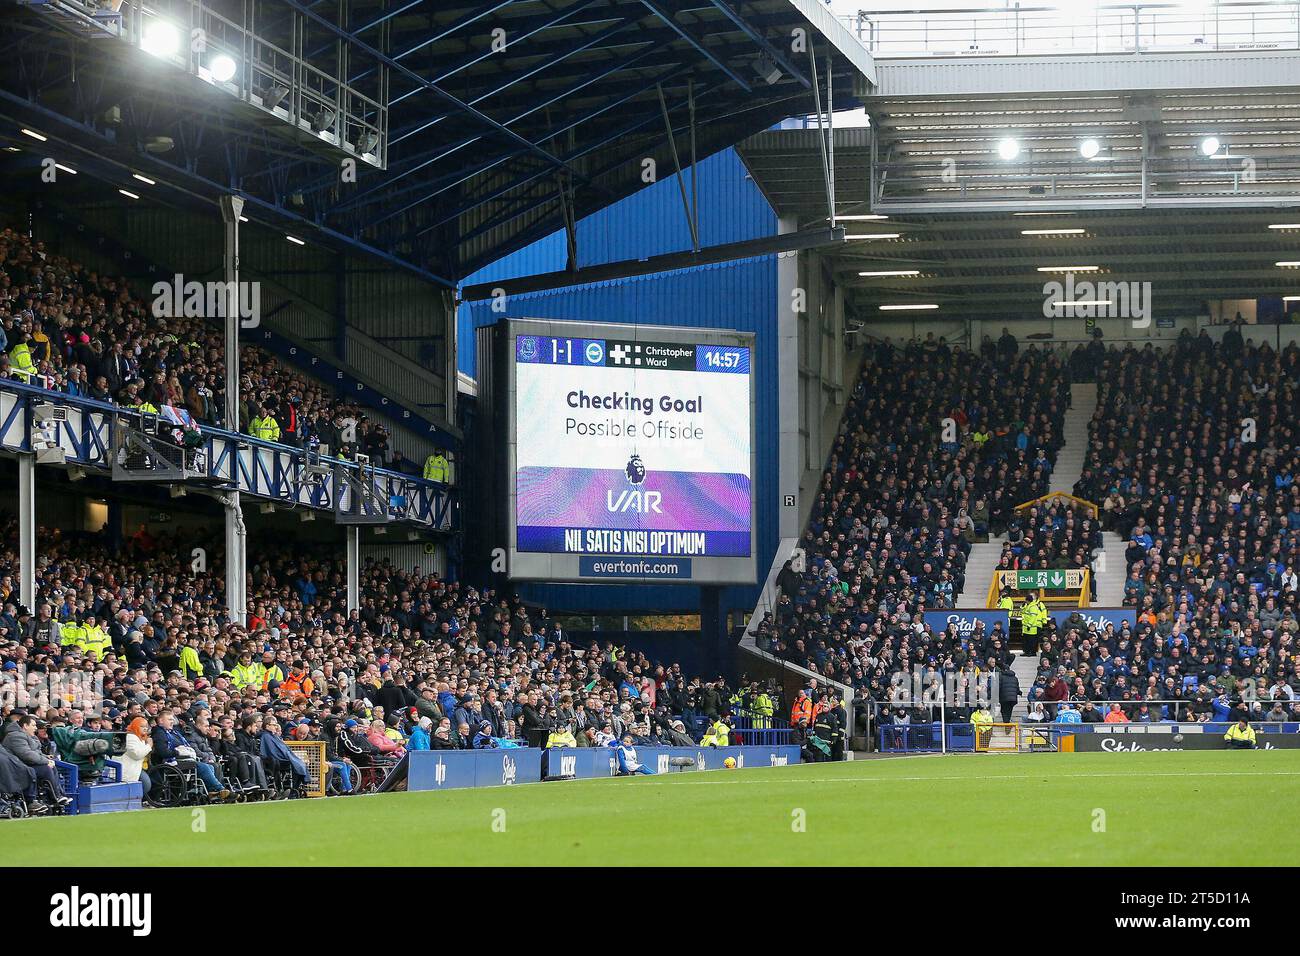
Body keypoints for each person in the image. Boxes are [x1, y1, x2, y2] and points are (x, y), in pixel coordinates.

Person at [2, 715, 73, 810]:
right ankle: (50, 798)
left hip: (25, 765)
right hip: (16, 767)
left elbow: (36, 753)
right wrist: (46, 761)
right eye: (33, 725)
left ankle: (58, 796)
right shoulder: (15, 736)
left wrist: (47, 758)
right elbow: (27, 754)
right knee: (45, 769)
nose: (36, 728)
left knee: (51, 767)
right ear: (25, 726)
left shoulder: (30, 737)